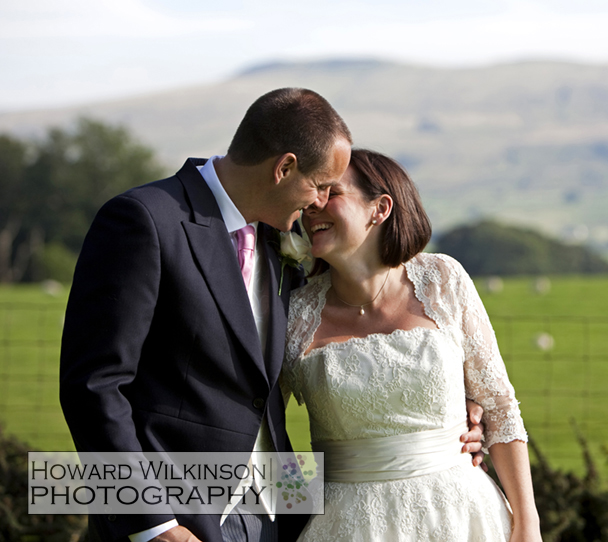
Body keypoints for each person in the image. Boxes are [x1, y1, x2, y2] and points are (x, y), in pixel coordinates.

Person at [59, 88, 486, 542]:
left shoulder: (278, 241)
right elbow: (94, 387)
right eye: (319, 184)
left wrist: (443, 417)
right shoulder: (146, 220)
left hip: (275, 515)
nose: (320, 201)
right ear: (283, 168)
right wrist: (153, 524)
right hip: (177, 519)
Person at [282, 149, 541, 541]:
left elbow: (500, 409)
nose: (313, 206)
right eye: (312, 195)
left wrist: (528, 525)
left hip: (464, 519)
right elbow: (255, 434)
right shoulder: (296, 314)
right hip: (347, 527)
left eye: (330, 192)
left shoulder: (443, 279)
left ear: (380, 208)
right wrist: (313, 484)